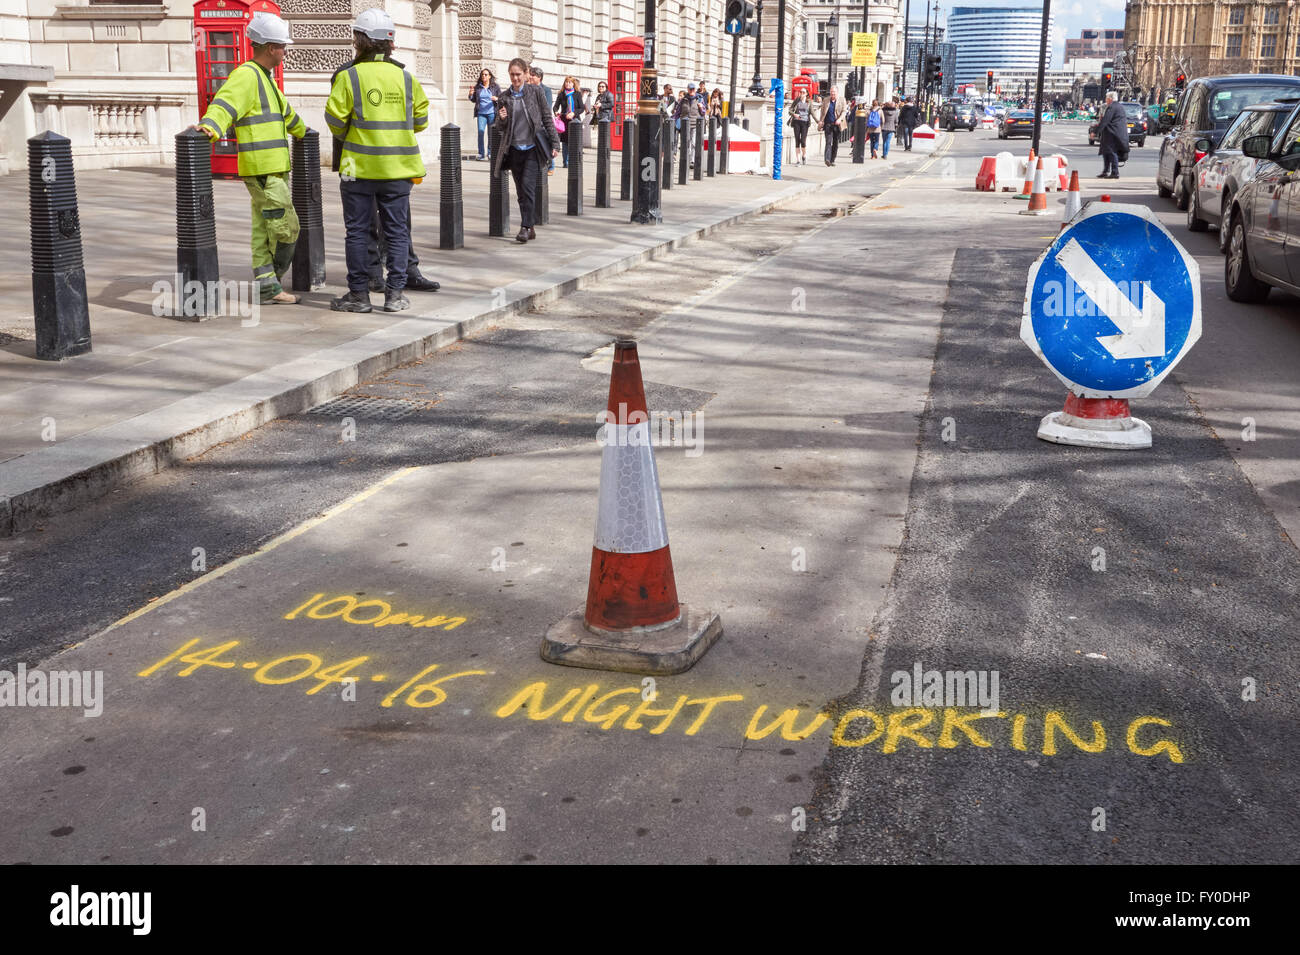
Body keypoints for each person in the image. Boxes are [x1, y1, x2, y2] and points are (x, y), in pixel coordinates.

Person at [194, 11, 306, 305]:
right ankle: (274, 278)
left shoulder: (266, 79)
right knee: (286, 228)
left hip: (274, 168)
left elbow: (286, 114)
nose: (285, 50)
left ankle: (266, 285)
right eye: (283, 46)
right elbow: (225, 102)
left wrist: (305, 132)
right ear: (271, 48)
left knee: (262, 229)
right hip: (263, 170)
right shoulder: (246, 75)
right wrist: (210, 126)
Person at [325, 9, 429, 313]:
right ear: (388, 43)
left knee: (357, 231)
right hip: (398, 167)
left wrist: (355, 131)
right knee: (397, 232)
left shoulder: (349, 76)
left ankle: (358, 295)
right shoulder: (406, 77)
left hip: (358, 168)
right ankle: (395, 295)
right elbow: (420, 120)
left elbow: (334, 120)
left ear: (361, 41)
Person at [495, 57, 561, 243]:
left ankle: (525, 227)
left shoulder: (535, 92)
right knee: (521, 192)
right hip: (514, 148)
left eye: (518, 74)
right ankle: (530, 227)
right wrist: (502, 118)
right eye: (512, 75)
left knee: (527, 186)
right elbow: (500, 128)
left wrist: (555, 144)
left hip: (532, 147)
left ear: (525, 74)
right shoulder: (504, 97)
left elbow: (547, 118)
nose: (515, 78)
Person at [468, 68, 500, 160]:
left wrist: (497, 99)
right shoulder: (478, 87)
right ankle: (481, 154)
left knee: (491, 134)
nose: (484, 76)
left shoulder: (495, 86)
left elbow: (501, 98)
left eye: (486, 74)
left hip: (491, 113)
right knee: (481, 133)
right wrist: (470, 94)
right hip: (481, 114)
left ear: (490, 76)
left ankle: (490, 153)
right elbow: (473, 99)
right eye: (482, 74)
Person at [1097, 91, 1129, 179]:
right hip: (1115, 132)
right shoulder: (1119, 106)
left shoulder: (1112, 107)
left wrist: (1096, 131)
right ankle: (1106, 171)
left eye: (1106, 98)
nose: (1106, 100)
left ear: (1110, 99)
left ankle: (1115, 172)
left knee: (1111, 152)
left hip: (1112, 133)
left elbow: (1106, 120)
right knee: (1106, 152)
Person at [529, 66, 554, 173]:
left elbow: (547, 106)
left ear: (539, 77)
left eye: (533, 75)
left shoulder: (546, 90)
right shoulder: (528, 88)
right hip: (531, 122)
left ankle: (551, 166)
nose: (530, 77)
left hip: (543, 122)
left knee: (546, 143)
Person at [553, 75, 581, 167]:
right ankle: (566, 162)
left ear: (573, 84)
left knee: (574, 142)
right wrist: (556, 112)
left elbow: (581, 108)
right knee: (565, 143)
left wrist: (574, 113)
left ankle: (574, 160)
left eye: (570, 82)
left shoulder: (577, 94)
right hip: (565, 120)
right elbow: (556, 106)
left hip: (575, 120)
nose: (568, 84)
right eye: (566, 82)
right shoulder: (561, 94)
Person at [817, 87, 843, 166]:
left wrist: (840, 119)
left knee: (835, 143)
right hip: (828, 124)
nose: (832, 94)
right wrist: (821, 121)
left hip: (837, 125)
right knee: (828, 142)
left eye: (834, 92)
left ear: (837, 92)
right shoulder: (826, 100)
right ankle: (827, 159)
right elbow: (822, 112)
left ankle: (832, 159)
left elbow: (844, 111)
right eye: (831, 92)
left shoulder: (842, 100)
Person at [788, 88, 811, 165]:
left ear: (806, 94)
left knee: (803, 141)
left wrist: (819, 122)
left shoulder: (809, 102)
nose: (801, 93)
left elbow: (812, 113)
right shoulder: (797, 100)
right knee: (797, 140)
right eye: (800, 92)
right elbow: (790, 110)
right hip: (796, 122)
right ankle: (798, 160)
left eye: (803, 92)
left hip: (805, 122)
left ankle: (804, 155)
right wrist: (794, 114)